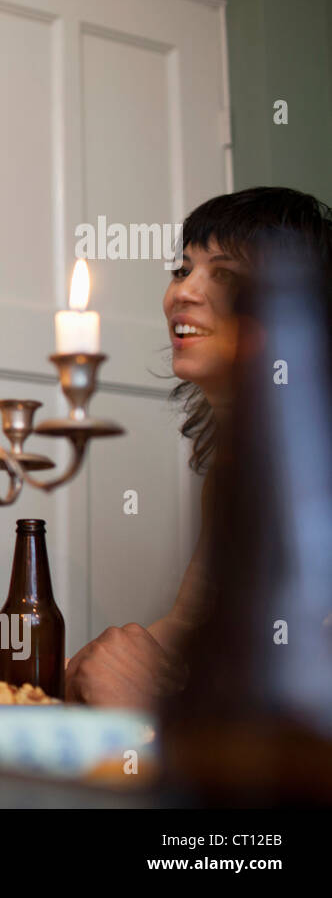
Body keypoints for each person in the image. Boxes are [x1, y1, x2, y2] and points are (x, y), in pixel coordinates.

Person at [65, 187, 332, 708]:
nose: (183, 292)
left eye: (226, 275)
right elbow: (190, 622)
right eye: (182, 269)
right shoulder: (230, 475)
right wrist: (57, 669)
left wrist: (141, 705)